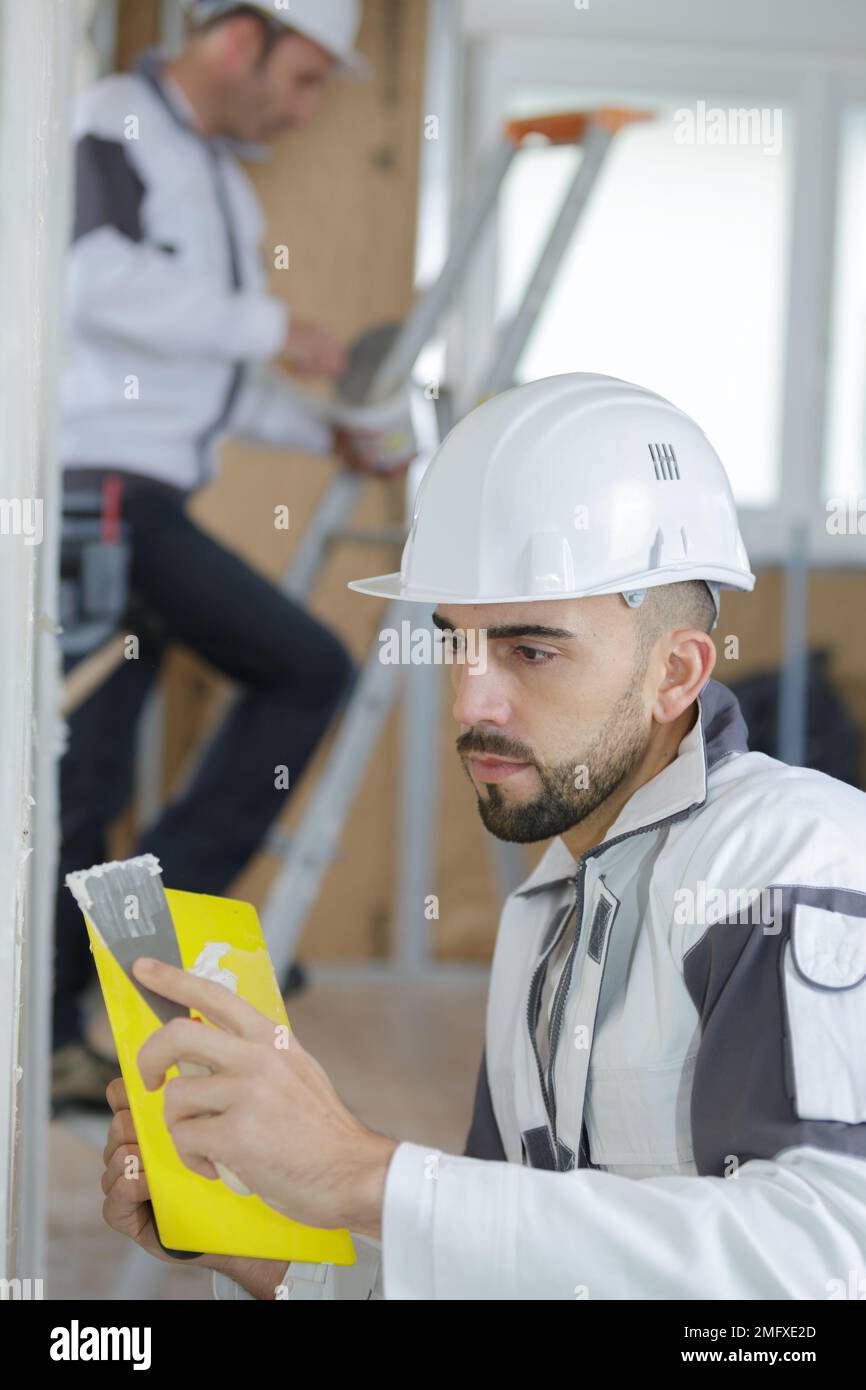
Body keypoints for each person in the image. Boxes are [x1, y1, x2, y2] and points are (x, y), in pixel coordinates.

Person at [101, 373, 866, 1299]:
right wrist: (279, 1254)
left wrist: (363, 1174)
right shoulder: (543, 916)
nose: (472, 704)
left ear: (676, 673)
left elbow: (825, 1272)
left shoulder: (792, 860)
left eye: (530, 650)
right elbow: (515, 1280)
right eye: (455, 643)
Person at [52, 0, 387, 1110]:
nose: (302, 111)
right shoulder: (109, 123)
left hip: (144, 501)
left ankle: (68, 1017)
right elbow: (88, 280)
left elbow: (219, 376)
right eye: (299, 81)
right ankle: (122, 953)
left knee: (87, 772)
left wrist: (322, 427)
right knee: (302, 666)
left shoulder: (224, 186)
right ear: (239, 38)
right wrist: (270, 324)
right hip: (97, 495)